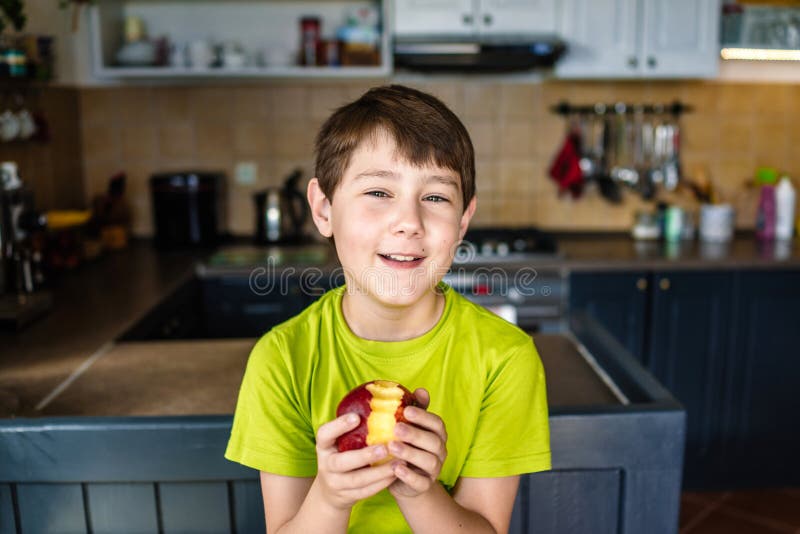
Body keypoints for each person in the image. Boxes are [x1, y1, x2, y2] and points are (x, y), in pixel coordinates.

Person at [225, 84, 551, 533]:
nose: (409, 223)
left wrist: (420, 491)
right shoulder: (282, 359)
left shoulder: (506, 358)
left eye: (435, 197)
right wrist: (331, 496)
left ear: (463, 222)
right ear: (323, 209)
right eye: (379, 192)